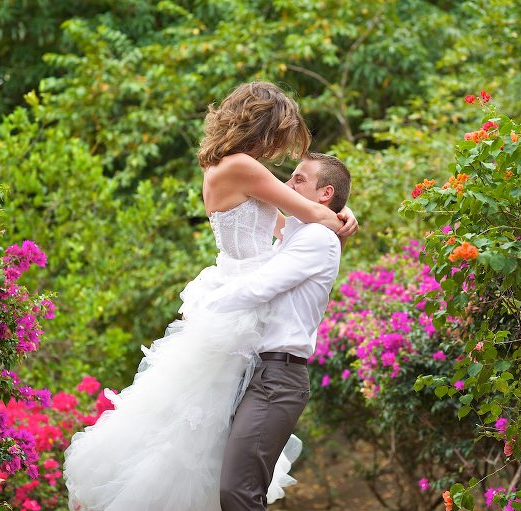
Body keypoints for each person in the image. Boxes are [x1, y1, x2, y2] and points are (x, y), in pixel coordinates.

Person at [63, 82, 357, 511]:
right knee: (200, 439)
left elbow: (284, 224)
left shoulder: (225, 166)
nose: (281, 149)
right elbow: (309, 212)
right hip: (242, 301)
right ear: (264, 125)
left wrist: (333, 211)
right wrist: (345, 216)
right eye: (282, 134)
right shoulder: (243, 166)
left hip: (238, 291)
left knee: (202, 436)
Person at [206, 152, 351, 510]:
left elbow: (259, 287)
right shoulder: (296, 236)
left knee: (238, 492)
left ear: (325, 193)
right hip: (256, 371)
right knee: (229, 487)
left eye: (299, 179)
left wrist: (203, 305)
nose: (286, 185)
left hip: (278, 377)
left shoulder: (317, 239)